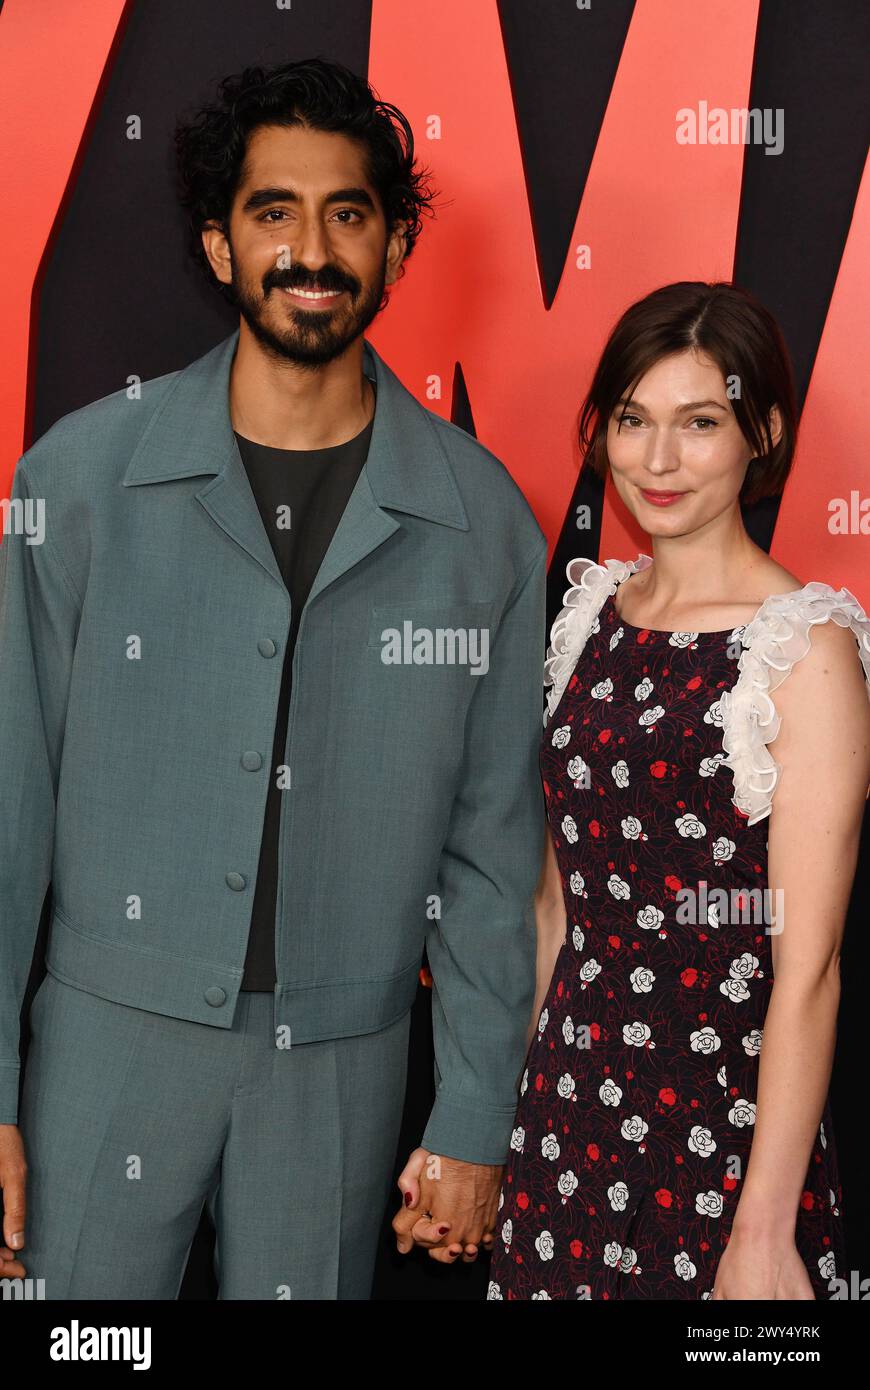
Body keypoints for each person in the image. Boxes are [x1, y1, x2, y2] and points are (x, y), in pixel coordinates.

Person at [0, 57, 547, 1299]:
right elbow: (7, 811)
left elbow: (491, 852)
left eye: (347, 213)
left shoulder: (484, 521)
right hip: (105, 1047)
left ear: (397, 246)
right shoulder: (78, 482)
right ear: (218, 241)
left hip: (341, 1069)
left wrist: (473, 1110)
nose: (312, 248)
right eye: (273, 212)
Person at [488, 281, 870, 1300]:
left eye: (699, 423)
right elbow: (556, 909)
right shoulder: (588, 617)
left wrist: (762, 1228)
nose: (657, 461)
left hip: (725, 1134)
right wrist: (506, 1123)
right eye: (632, 420)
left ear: (764, 432)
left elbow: (811, 965)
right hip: (564, 1122)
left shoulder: (808, 645)